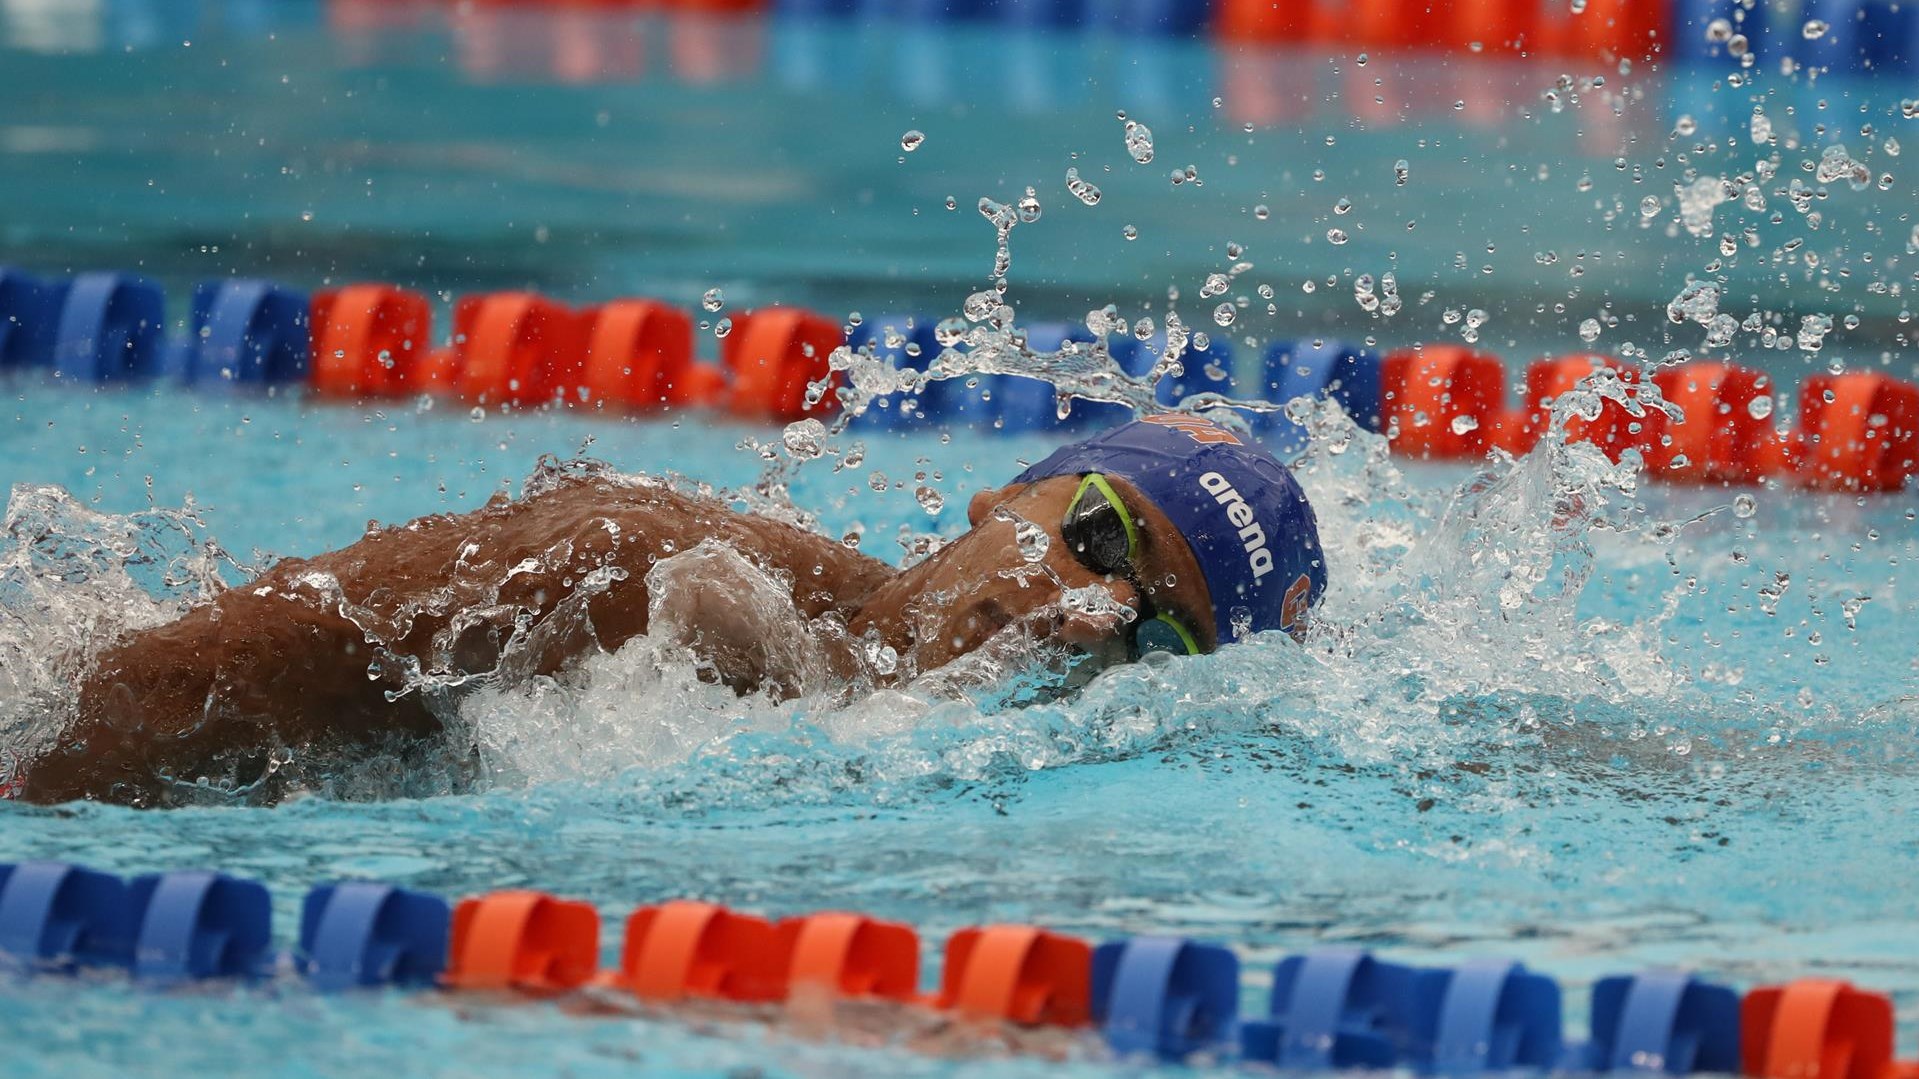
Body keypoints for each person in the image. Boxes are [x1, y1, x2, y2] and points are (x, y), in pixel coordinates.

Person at [10, 414, 1326, 807]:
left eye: (1153, 631)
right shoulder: (641, 576)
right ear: (1008, 495)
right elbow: (144, 699)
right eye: (1099, 535)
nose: (1088, 613)